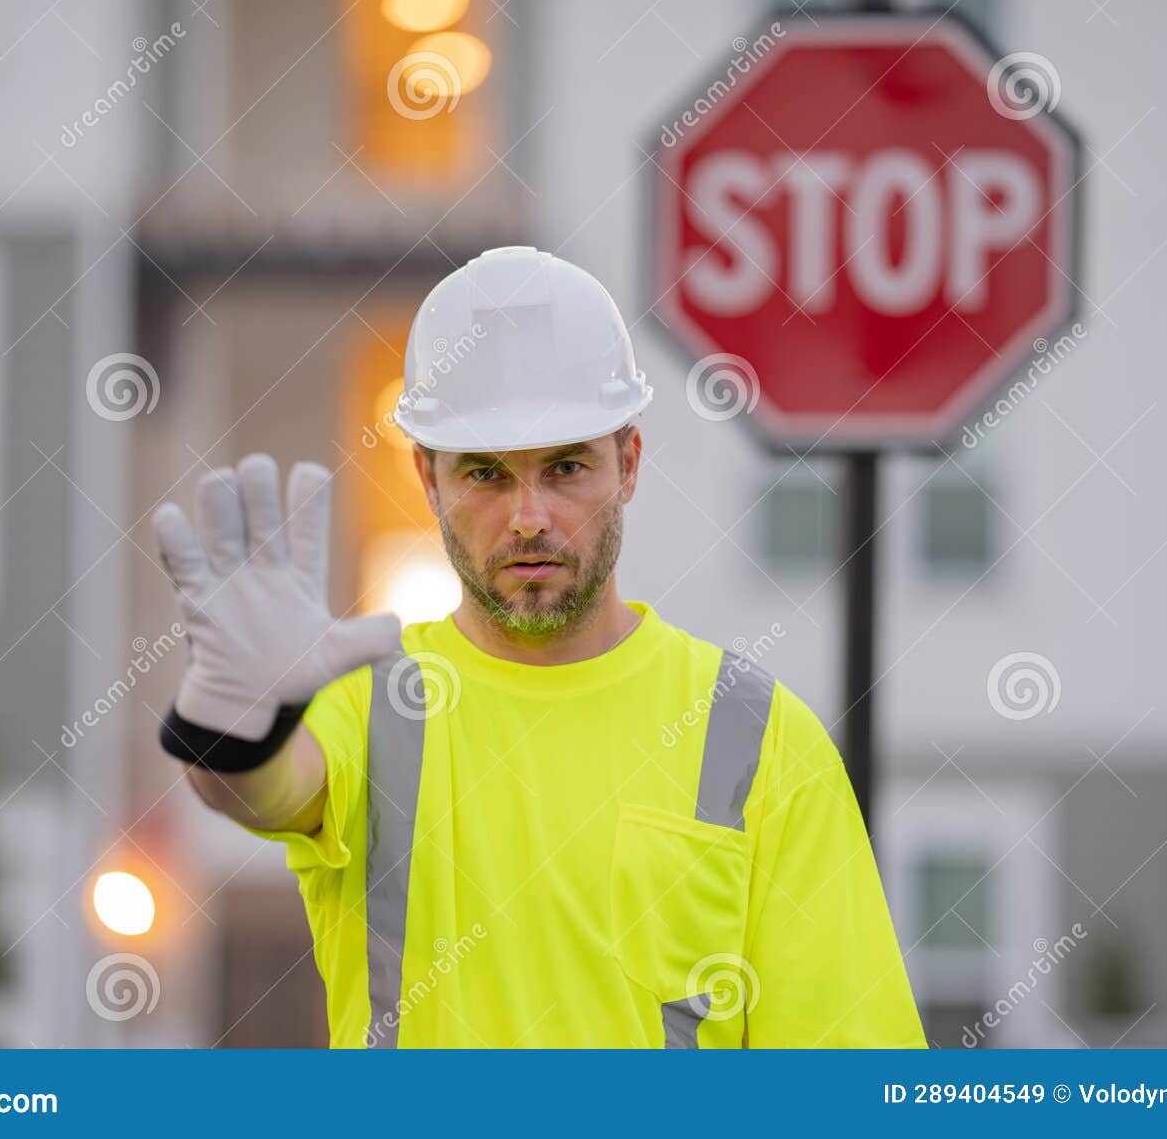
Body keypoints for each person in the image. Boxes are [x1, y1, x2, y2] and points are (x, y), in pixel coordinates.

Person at [153, 246, 924, 1048]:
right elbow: (262, 789)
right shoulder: (371, 701)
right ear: (427, 480)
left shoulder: (760, 738)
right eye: (486, 474)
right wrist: (230, 728)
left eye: (564, 468)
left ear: (627, 464)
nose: (528, 518)